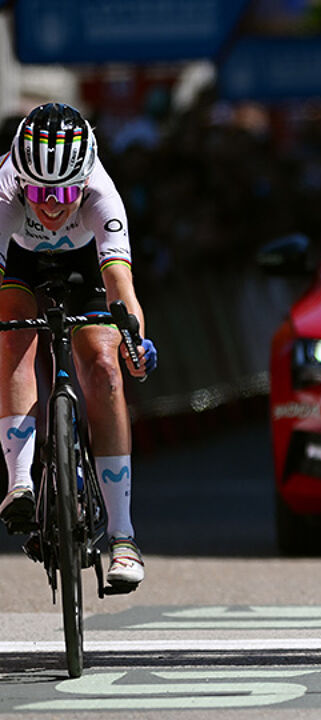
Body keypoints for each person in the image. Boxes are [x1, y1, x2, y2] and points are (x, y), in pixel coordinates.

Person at [0, 103, 156, 591]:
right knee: (13, 338)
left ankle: (123, 537)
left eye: (65, 193)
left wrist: (134, 342)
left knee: (106, 370)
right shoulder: (4, 191)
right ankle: (20, 483)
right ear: (21, 180)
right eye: (39, 194)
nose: (50, 207)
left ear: (83, 182)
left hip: (85, 267)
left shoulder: (101, 193)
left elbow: (120, 287)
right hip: (21, 268)